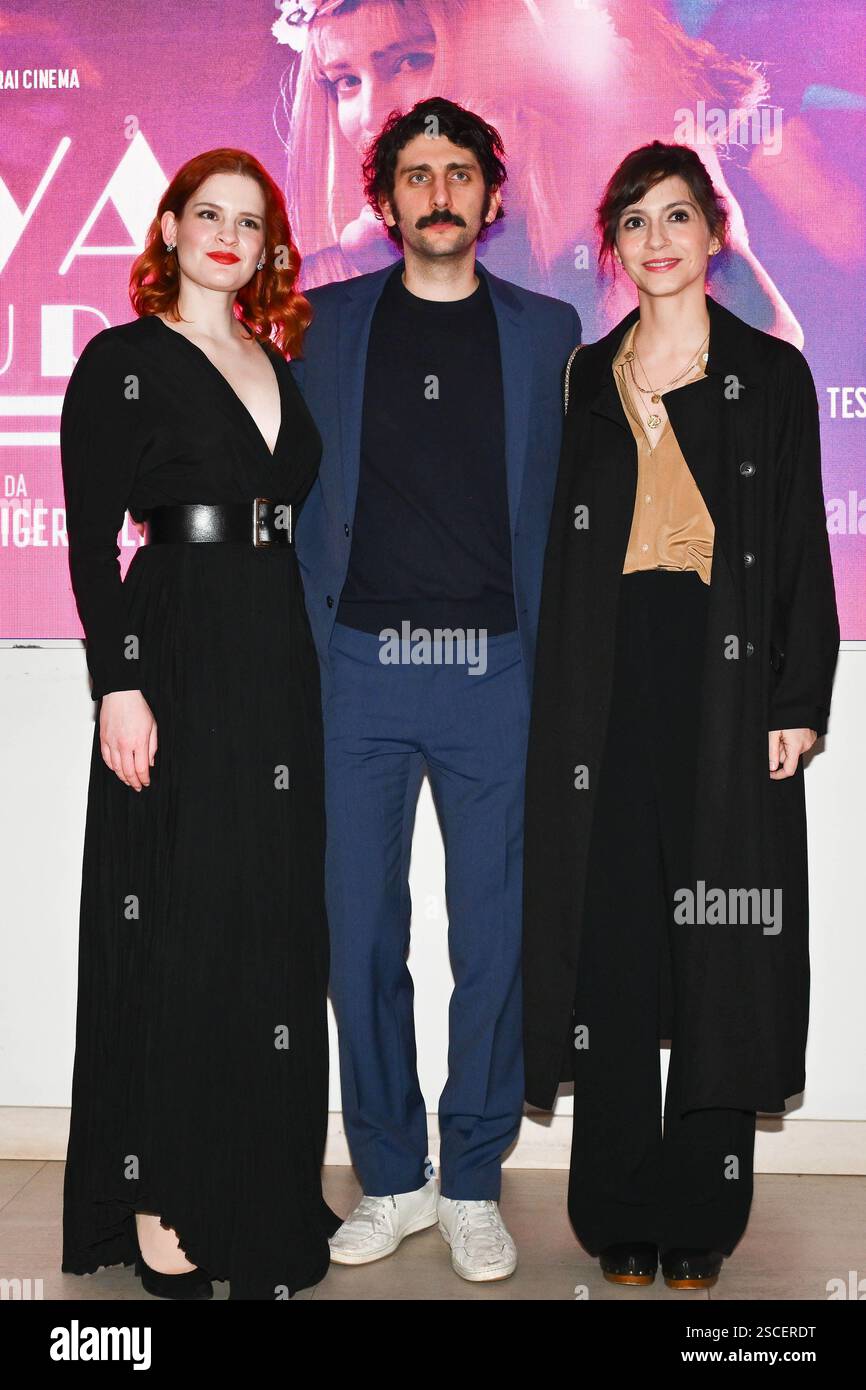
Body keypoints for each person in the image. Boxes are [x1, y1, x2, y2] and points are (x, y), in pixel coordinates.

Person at [522, 140, 839, 1290]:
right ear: (613, 246)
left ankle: (698, 1216)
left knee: (720, 945)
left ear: (713, 233)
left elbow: (799, 546)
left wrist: (795, 698)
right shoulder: (584, 376)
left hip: (723, 682)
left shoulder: (770, 373)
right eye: (634, 224)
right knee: (609, 950)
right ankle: (613, 1209)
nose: (655, 241)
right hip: (604, 687)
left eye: (676, 219)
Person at [290, 96, 580, 1282]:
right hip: (357, 665)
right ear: (386, 198)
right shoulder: (321, 325)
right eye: (416, 173)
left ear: (490, 196)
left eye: (458, 171)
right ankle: (390, 1175)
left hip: (491, 669)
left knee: (493, 938)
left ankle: (470, 1178)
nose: (438, 191)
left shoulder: (548, 330)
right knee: (357, 933)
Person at [60, 149, 340, 1301]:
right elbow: (89, 542)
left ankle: (264, 1184)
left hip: (275, 652)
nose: (227, 233)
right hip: (173, 648)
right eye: (207, 213)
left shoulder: (279, 358)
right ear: (169, 228)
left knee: (270, 920)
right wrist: (118, 683)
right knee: (176, 918)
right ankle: (161, 1193)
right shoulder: (122, 361)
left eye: (249, 219)